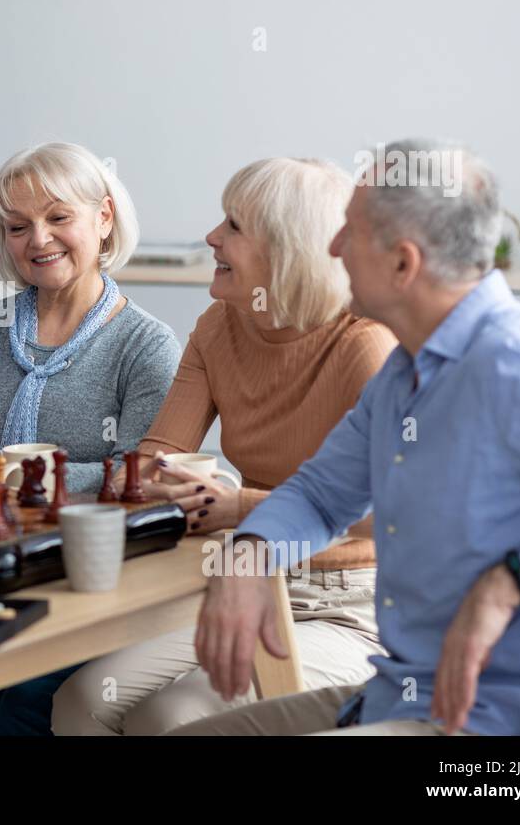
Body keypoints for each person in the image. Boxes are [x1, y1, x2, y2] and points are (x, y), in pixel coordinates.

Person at [176, 139, 520, 736]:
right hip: (394, 694)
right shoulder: (404, 372)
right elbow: (323, 495)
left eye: (348, 232)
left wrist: (512, 580)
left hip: (494, 727)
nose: (330, 248)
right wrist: (250, 553)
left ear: (404, 264)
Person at [52, 158, 396, 734]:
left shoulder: (364, 344)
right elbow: (154, 459)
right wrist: (153, 480)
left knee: (170, 718)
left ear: (288, 250)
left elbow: (393, 512)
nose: (211, 236)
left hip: (353, 604)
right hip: (247, 580)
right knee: (82, 698)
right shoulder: (219, 325)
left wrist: (240, 506)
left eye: (234, 226)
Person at [0, 141, 182, 735]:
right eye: (17, 226)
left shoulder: (147, 345)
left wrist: (8, 470)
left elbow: (140, 479)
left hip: (83, 582)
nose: (38, 240)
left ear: (103, 218)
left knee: (27, 710)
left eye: (59, 218)